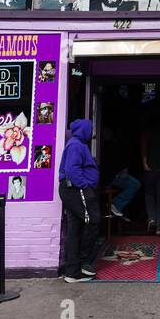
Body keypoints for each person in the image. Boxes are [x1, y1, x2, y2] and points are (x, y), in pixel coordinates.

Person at [59, 118, 100, 283]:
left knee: (75, 229)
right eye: (91, 129)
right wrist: (85, 186)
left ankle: (72, 272)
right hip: (76, 190)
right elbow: (72, 170)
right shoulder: (76, 145)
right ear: (85, 130)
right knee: (94, 220)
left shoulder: (78, 144)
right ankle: (84, 263)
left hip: (72, 190)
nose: (92, 132)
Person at [141, 123, 160, 234]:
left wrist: (144, 163)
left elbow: (143, 147)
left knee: (149, 195)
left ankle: (152, 219)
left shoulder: (148, 132)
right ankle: (159, 228)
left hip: (151, 168)